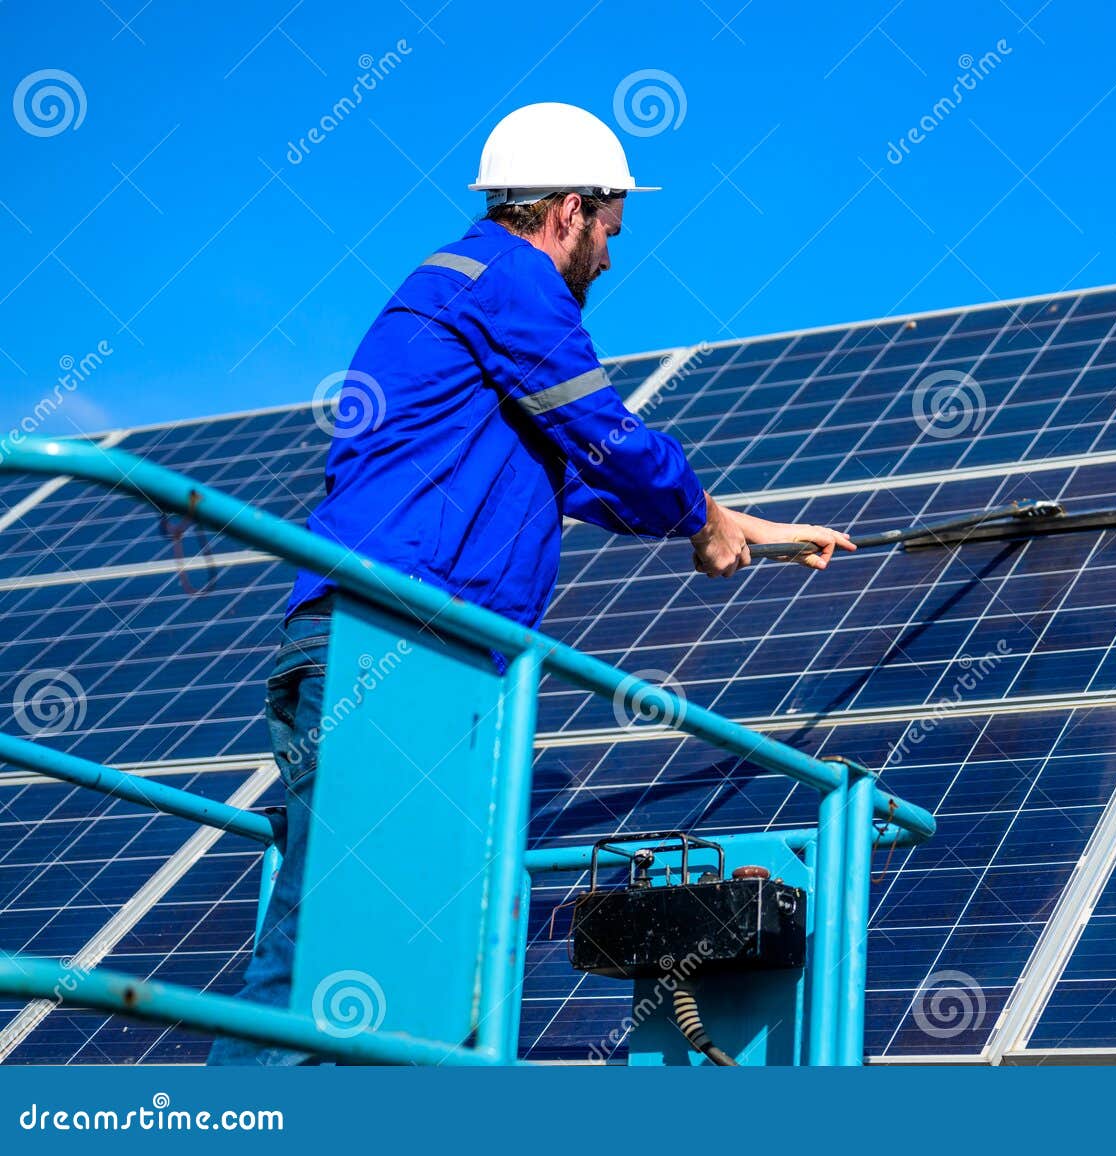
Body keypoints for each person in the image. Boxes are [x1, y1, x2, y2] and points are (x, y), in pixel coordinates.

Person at [207, 103, 853, 1064]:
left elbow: (580, 468)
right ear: (568, 209)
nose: (608, 257)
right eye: (609, 230)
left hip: (407, 657)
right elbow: (606, 434)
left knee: (402, 967)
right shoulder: (513, 283)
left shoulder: (460, 288)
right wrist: (698, 518)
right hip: (398, 649)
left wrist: (726, 520)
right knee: (332, 951)